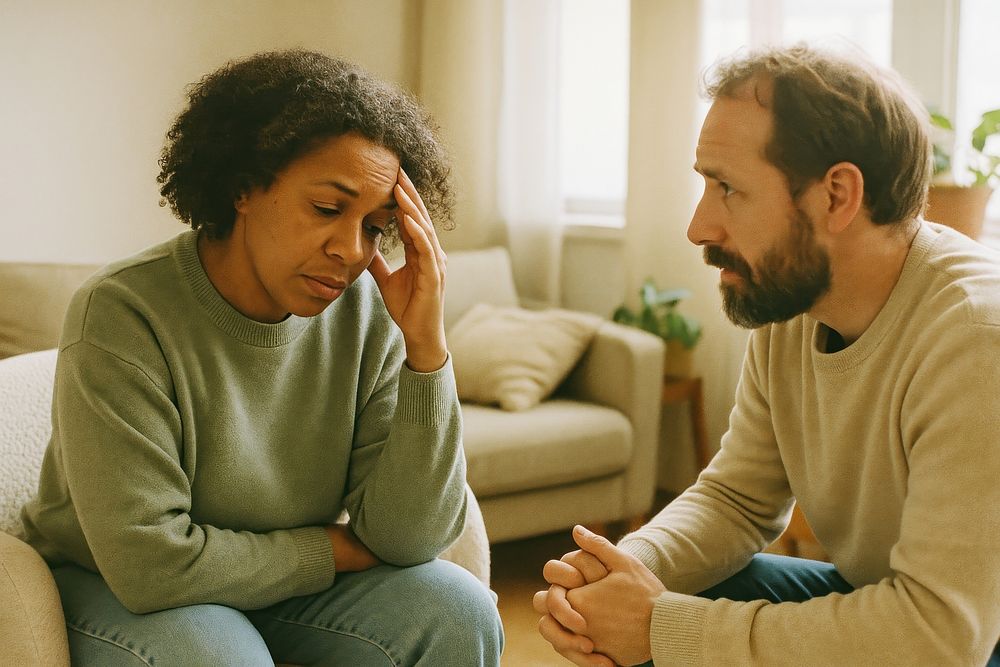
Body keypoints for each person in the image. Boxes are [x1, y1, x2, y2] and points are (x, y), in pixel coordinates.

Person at [19, 49, 503, 666]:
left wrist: (427, 352)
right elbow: (149, 566)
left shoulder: (371, 311)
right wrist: (330, 550)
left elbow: (409, 539)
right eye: (328, 209)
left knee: (459, 612)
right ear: (243, 186)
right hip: (113, 588)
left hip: (277, 584)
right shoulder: (120, 314)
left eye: (375, 227)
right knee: (220, 657)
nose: (351, 251)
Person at [534, 43, 1000, 666]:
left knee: (672, 627)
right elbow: (738, 499)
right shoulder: (797, 300)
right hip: (907, 610)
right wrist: (624, 569)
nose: (699, 228)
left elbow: (941, 639)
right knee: (672, 600)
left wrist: (662, 627)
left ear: (837, 196)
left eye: (728, 188)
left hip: (971, 637)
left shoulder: (976, 337)